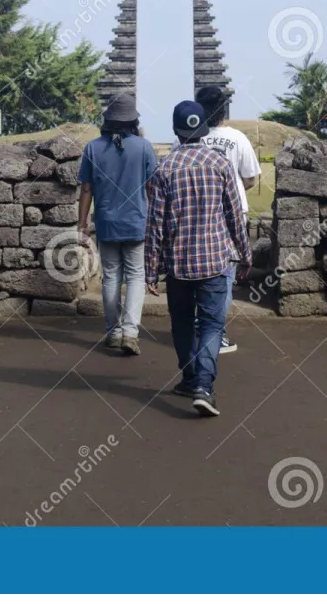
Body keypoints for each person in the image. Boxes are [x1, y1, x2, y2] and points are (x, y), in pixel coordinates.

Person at [146, 100, 252, 417]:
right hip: (215, 260)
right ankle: (204, 386)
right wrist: (245, 255)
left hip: (178, 264)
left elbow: (155, 225)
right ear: (203, 130)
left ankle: (191, 379)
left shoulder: (164, 170)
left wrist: (150, 270)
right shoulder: (220, 165)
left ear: (177, 132)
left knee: (181, 324)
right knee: (210, 326)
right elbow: (234, 216)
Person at [171, 86, 261, 354]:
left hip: (190, 215)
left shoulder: (185, 139)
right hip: (231, 215)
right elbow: (251, 178)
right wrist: (228, 193)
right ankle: (215, 331)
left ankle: (200, 329)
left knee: (192, 272)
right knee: (224, 276)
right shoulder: (238, 139)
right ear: (224, 110)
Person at [77, 94, 158, 356]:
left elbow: (87, 189)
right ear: (133, 120)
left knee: (111, 276)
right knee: (136, 276)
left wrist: (82, 223)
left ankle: (113, 332)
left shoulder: (92, 148)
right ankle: (131, 333)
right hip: (136, 222)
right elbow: (151, 186)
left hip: (106, 222)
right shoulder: (144, 147)